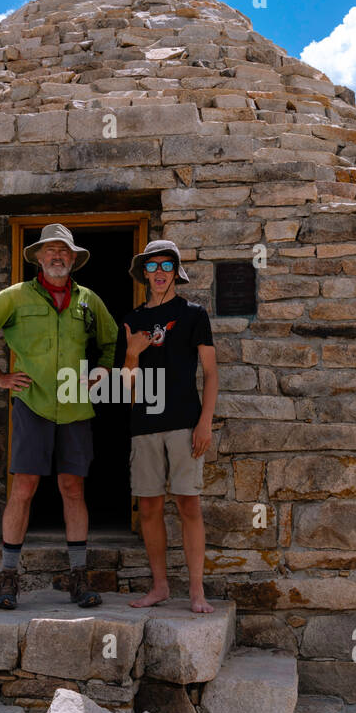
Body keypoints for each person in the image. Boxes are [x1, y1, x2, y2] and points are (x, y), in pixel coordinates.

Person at [0, 223, 118, 610]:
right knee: (24, 487)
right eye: (50, 251)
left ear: (74, 259)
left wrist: (102, 371)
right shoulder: (15, 297)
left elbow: (112, 340)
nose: (57, 257)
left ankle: (78, 578)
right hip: (32, 403)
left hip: (75, 403)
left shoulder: (88, 301)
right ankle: (8, 578)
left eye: (64, 251)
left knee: (72, 488)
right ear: (39, 258)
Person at [114, 239, 218, 614]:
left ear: (176, 271)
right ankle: (159, 587)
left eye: (165, 266)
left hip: (184, 424)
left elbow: (210, 373)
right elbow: (123, 388)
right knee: (149, 508)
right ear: (144, 273)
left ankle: (196, 592)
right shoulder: (131, 321)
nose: (158, 273)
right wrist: (131, 354)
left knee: (189, 504)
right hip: (143, 425)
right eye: (152, 267)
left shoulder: (193, 314)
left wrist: (204, 422)